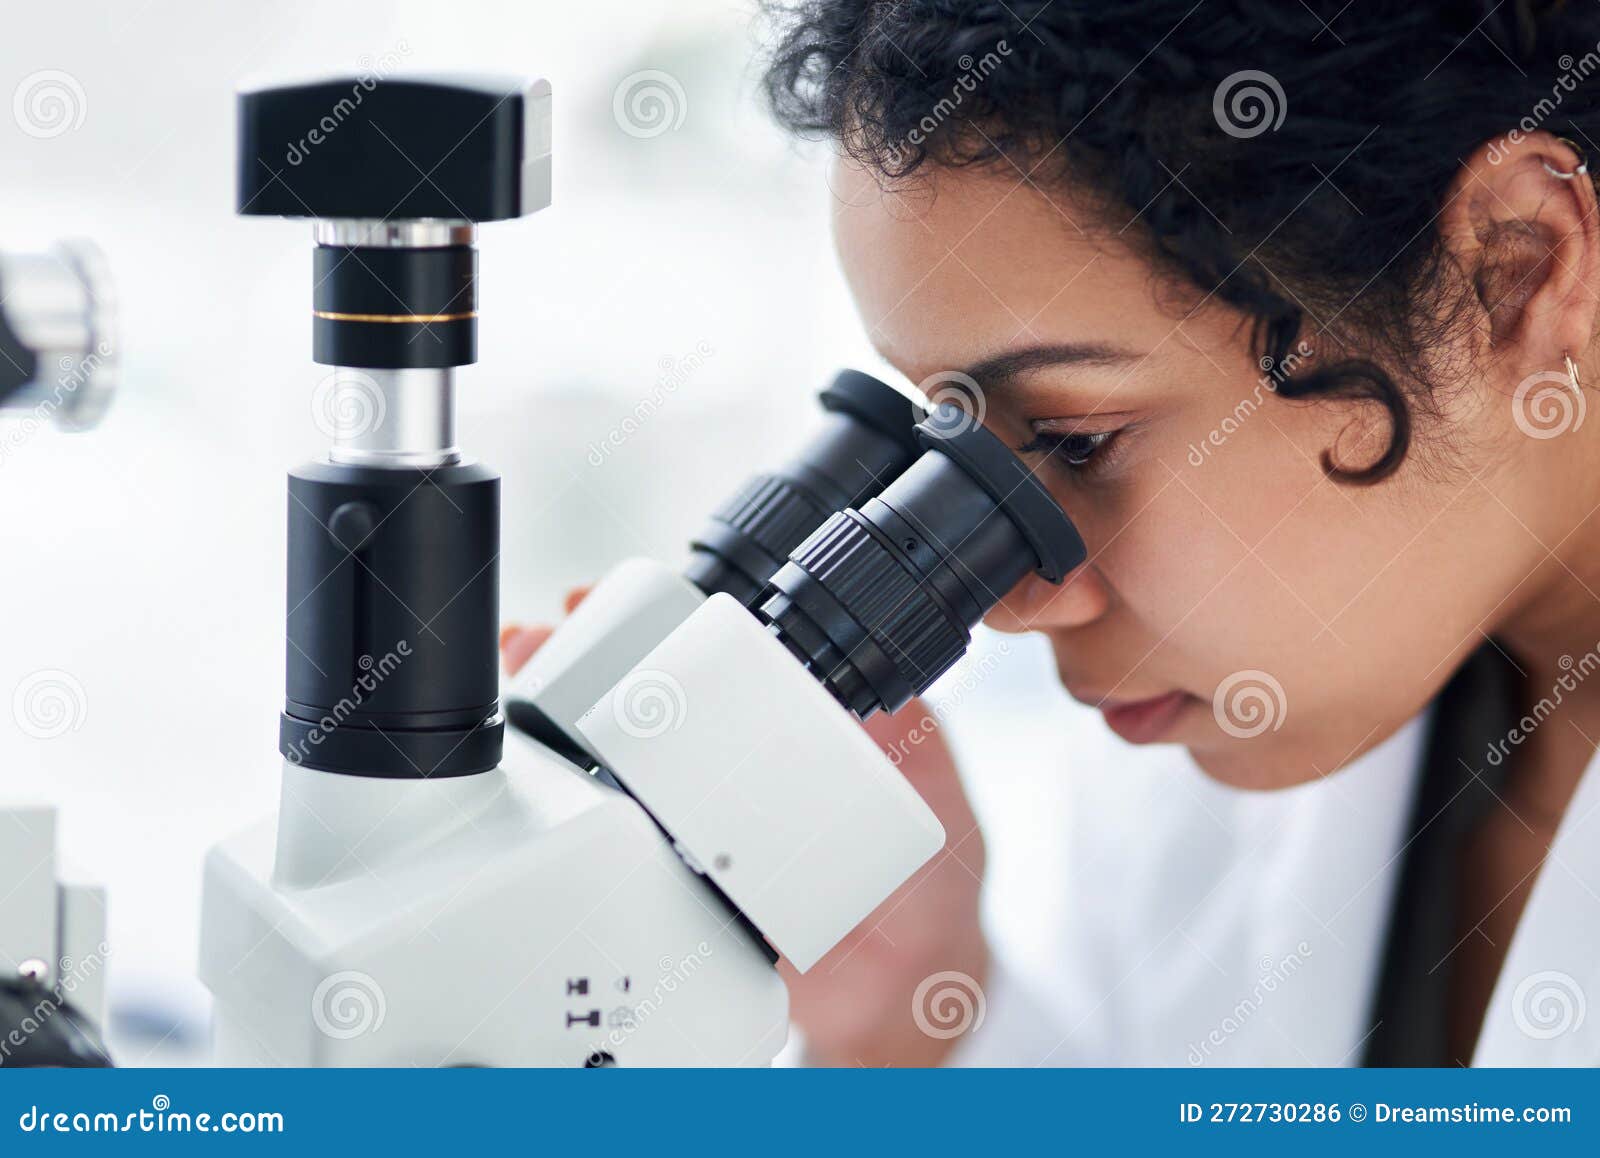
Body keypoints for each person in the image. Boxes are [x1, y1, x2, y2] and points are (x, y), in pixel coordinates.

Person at [507, 0, 1600, 1066]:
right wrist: (914, 1021)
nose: (1011, 598)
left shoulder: (1275, 679)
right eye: (943, 439)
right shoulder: (1206, 776)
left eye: (1078, 439)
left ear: (1512, 270)